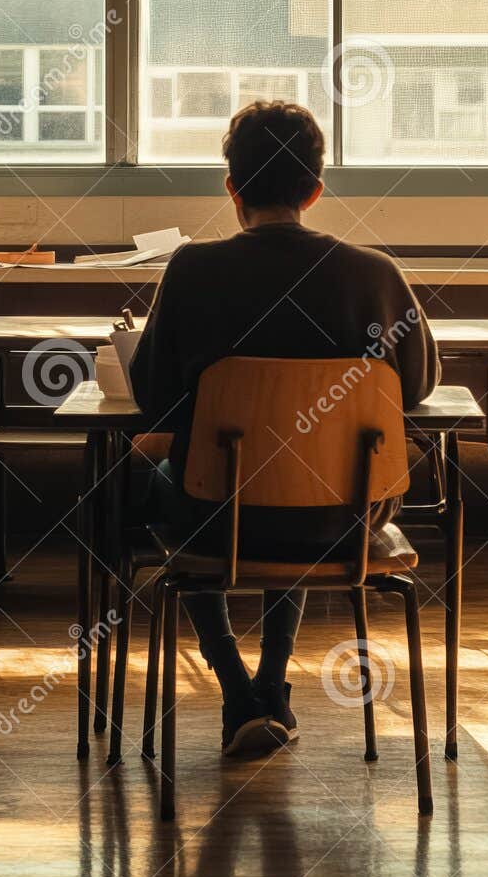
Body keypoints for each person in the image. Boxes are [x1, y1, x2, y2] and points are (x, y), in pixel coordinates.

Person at [129, 100, 439, 757]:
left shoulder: (190, 271)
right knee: (300, 475)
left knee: (163, 478)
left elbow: (152, 400)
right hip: (343, 520)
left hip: (215, 512)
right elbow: (418, 387)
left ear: (231, 188)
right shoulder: (374, 275)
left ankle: (238, 690)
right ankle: (271, 685)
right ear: (314, 189)